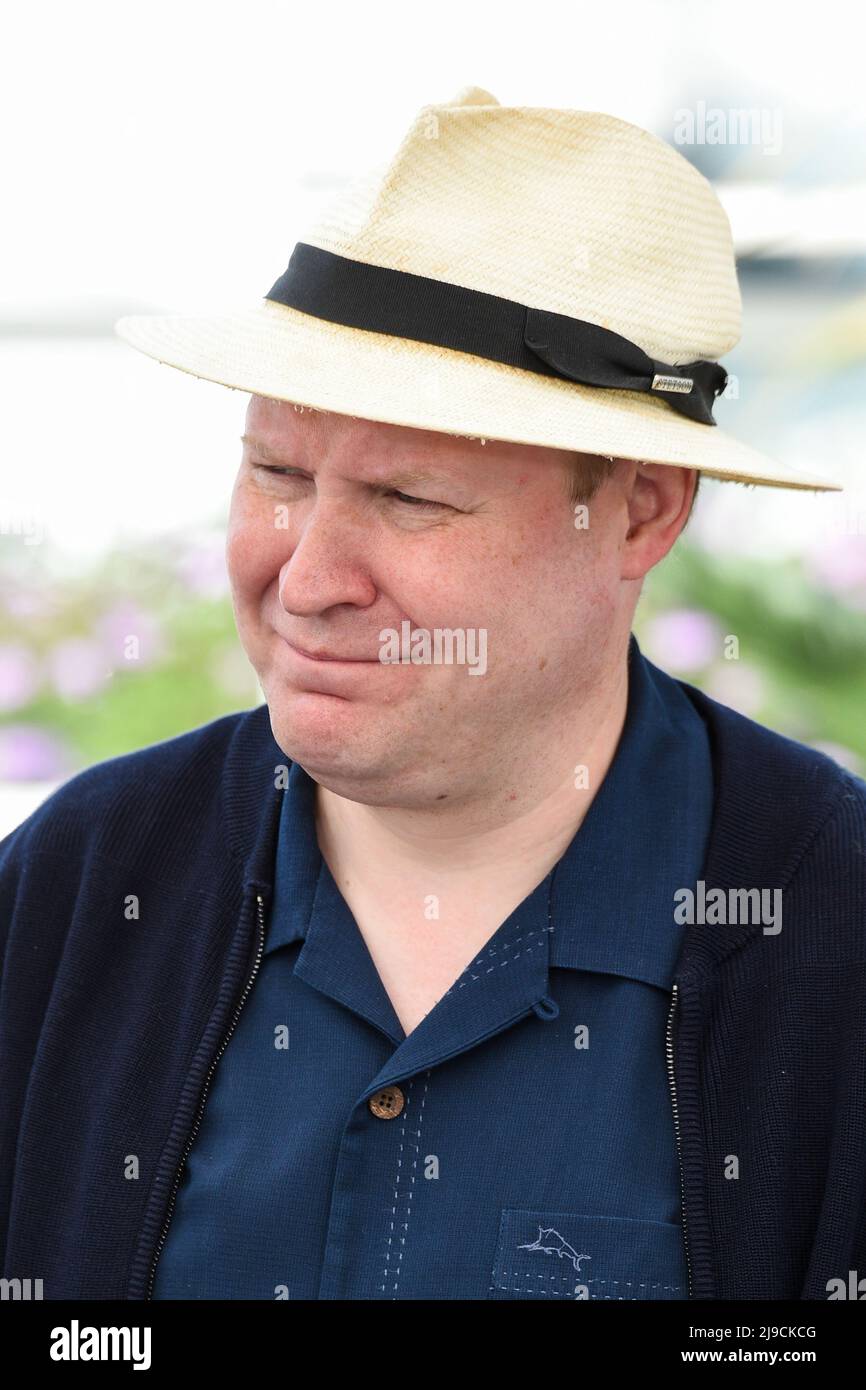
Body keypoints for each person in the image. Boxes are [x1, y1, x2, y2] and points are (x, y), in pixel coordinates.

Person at [1, 86, 864, 1303]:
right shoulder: (82, 883)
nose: (304, 579)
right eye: (277, 473)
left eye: (409, 498)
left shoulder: (827, 931)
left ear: (641, 509)